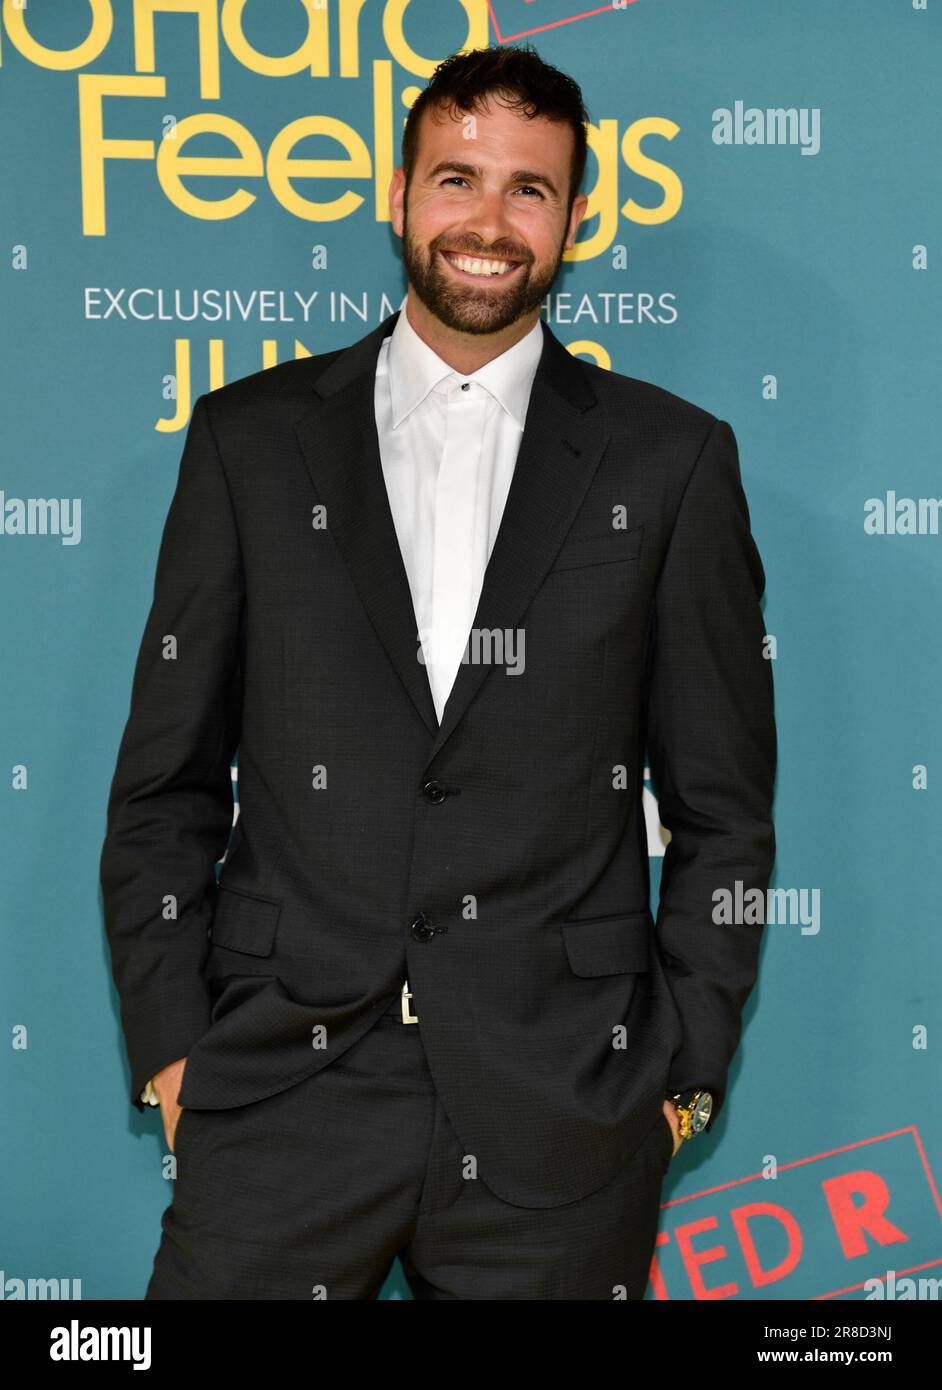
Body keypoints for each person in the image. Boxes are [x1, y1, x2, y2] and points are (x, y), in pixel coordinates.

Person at [100, 43, 776, 1301]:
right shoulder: (251, 442)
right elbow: (164, 784)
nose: (488, 221)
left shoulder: (669, 464)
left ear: (576, 217)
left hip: (561, 1109)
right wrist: (175, 1058)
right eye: (456, 178)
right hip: (278, 1096)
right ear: (397, 194)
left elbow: (724, 811)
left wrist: (676, 1082)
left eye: (528, 189)